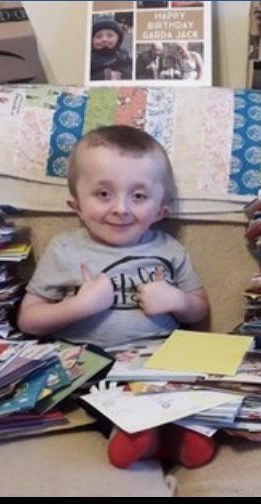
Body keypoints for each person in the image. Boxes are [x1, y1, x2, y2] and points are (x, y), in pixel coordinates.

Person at [17, 125, 215, 470]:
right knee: (100, 390)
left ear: (160, 210)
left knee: (194, 385)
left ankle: (180, 434)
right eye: (103, 194)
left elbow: (199, 309)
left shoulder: (169, 248)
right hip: (94, 364)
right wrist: (80, 306)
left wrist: (176, 301)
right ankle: (138, 435)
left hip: (161, 361)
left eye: (138, 196)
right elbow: (28, 319)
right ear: (76, 206)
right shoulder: (65, 249)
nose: (121, 208)